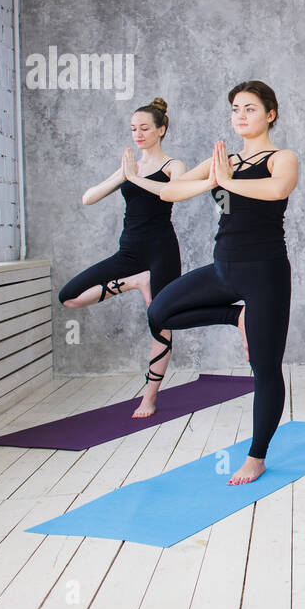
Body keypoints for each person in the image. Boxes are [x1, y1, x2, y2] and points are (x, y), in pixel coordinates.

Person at [147, 81, 299, 485]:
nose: (241, 116)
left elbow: (278, 188)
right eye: (235, 109)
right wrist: (210, 180)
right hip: (223, 268)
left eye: (250, 108)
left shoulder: (282, 158)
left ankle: (256, 456)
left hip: (265, 273)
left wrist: (226, 182)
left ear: (270, 113)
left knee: (265, 369)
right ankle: (236, 316)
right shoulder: (223, 160)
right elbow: (168, 192)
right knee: (159, 312)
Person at [58, 98, 185, 418]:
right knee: (69, 297)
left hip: (161, 251)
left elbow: (174, 193)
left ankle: (149, 398)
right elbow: (88, 198)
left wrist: (135, 177)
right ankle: (135, 282)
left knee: (160, 323)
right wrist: (124, 175)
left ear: (161, 129)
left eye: (144, 128)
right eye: (133, 129)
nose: (137, 134)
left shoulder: (173, 166)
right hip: (129, 251)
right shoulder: (129, 167)